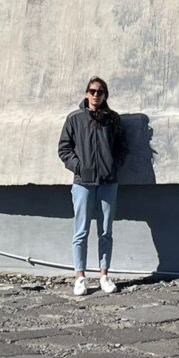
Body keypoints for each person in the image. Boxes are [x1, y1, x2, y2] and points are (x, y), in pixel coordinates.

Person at [57, 76, 127, 297]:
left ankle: (104, 275)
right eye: (93, 91)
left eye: (101, 92)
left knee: (106, 231)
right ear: (86, 93)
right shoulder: (75, 118)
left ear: (105, 95)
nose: (96, 95)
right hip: (83, 184)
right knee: (81, 231)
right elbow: (64, 149)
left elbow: (122, 148)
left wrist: (113, 167)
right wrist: (79, 167)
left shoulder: (112, 119)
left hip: (108, 183)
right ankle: (80, 277)